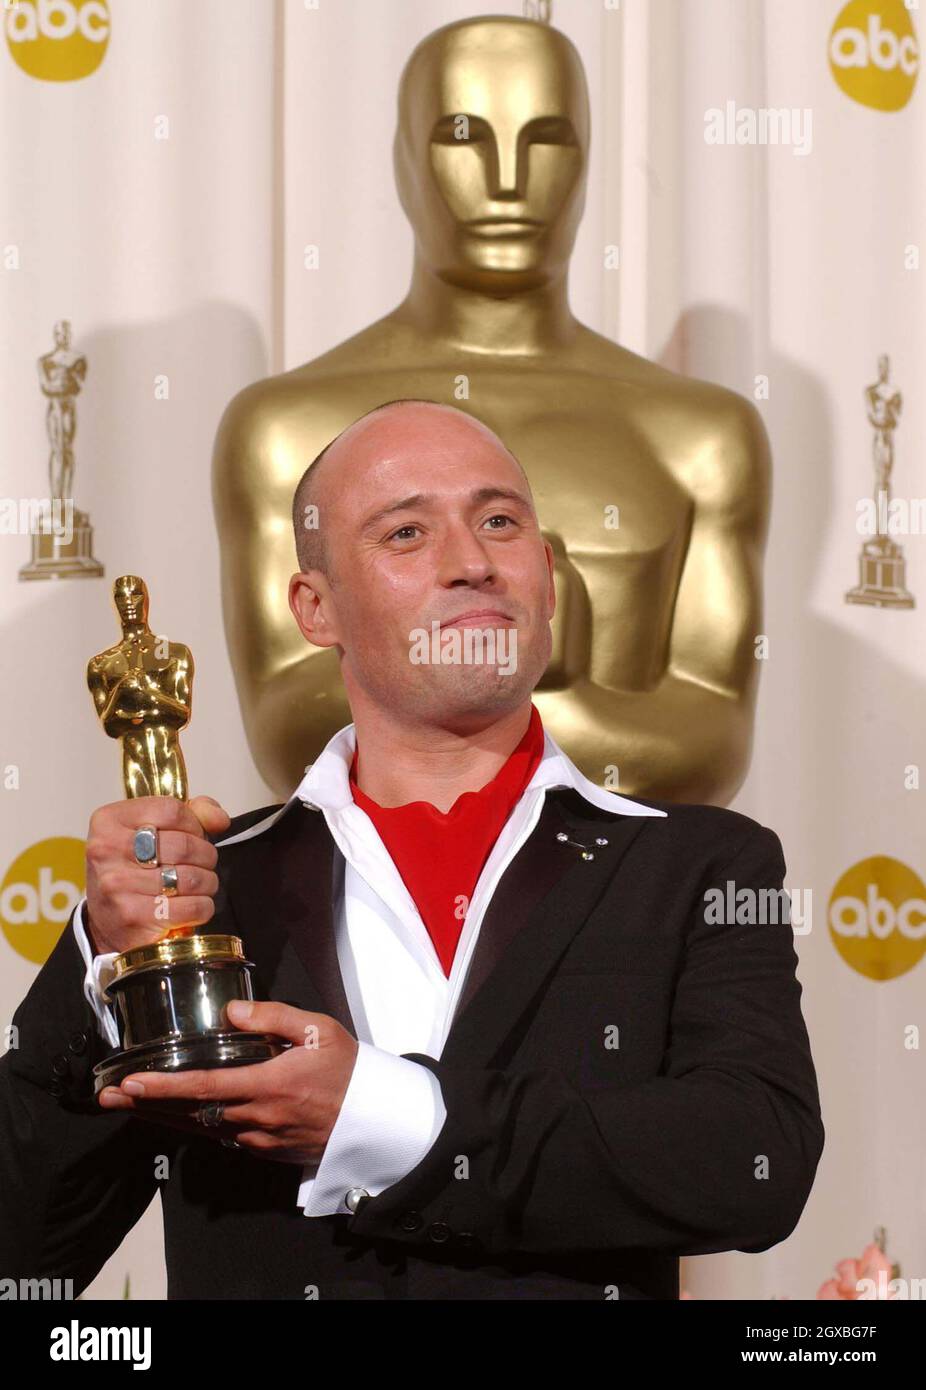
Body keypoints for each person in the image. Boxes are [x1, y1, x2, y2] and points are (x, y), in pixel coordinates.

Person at [0, 400, 824, 1300]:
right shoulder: (209, 891)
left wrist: (378, 1114)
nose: (472, 563)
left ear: (546, 577)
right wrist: (104, 955)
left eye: (500, 522)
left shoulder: (697, 865)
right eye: (404, 533)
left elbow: (754, 1159)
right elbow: (22, 1248)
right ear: (316, 609)